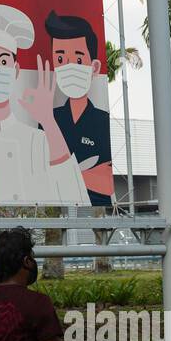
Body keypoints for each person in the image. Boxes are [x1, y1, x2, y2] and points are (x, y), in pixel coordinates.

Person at [0, 3, 88, 205]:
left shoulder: (40, 141)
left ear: (16, 69)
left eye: (3, 62)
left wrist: (48, 121)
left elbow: (77, 201)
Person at [45, 11, 113, 206]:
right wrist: (83, 173)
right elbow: (40, 178)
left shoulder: (102, 121)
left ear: (94, 67)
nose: (68, 66)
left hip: (95, 209)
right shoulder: (47, 120)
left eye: (78, 58)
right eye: (60, 59)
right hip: (53, 213)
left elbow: (105, 183)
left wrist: (62, 173)